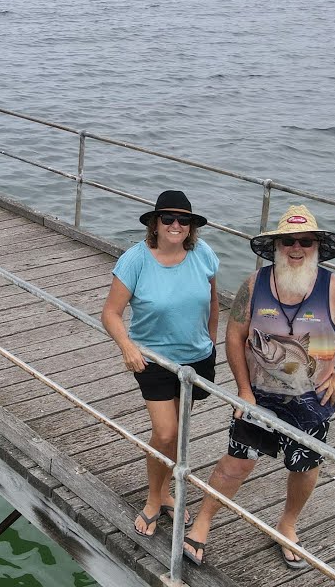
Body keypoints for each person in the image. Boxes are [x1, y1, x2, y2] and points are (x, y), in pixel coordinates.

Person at [183, 204, 335, 568]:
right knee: (235, 464)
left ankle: (287, 525)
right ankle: (202, 523)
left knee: (303, 467)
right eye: (288, 241)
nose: (297, 248)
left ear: (317, 246)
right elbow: (234, 337)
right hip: (259, 397)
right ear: (276, 247)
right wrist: (243, 391)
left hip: (312, 401)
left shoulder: (334, 289)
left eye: (305, 241)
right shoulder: (254, 284)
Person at [102, 190, 220, 537]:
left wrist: (211, 343)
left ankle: (167, 491)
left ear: (191, 226)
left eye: (184, 219)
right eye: (167, 218)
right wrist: (127, 346)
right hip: (152, 359)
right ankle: (155, 498)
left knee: (179, 433)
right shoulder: (135, 259)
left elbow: (213, 303)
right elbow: (111, 312)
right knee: (165, 432)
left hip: (197, 358)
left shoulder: (203, 254)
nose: (176, 225)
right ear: (155, 223)